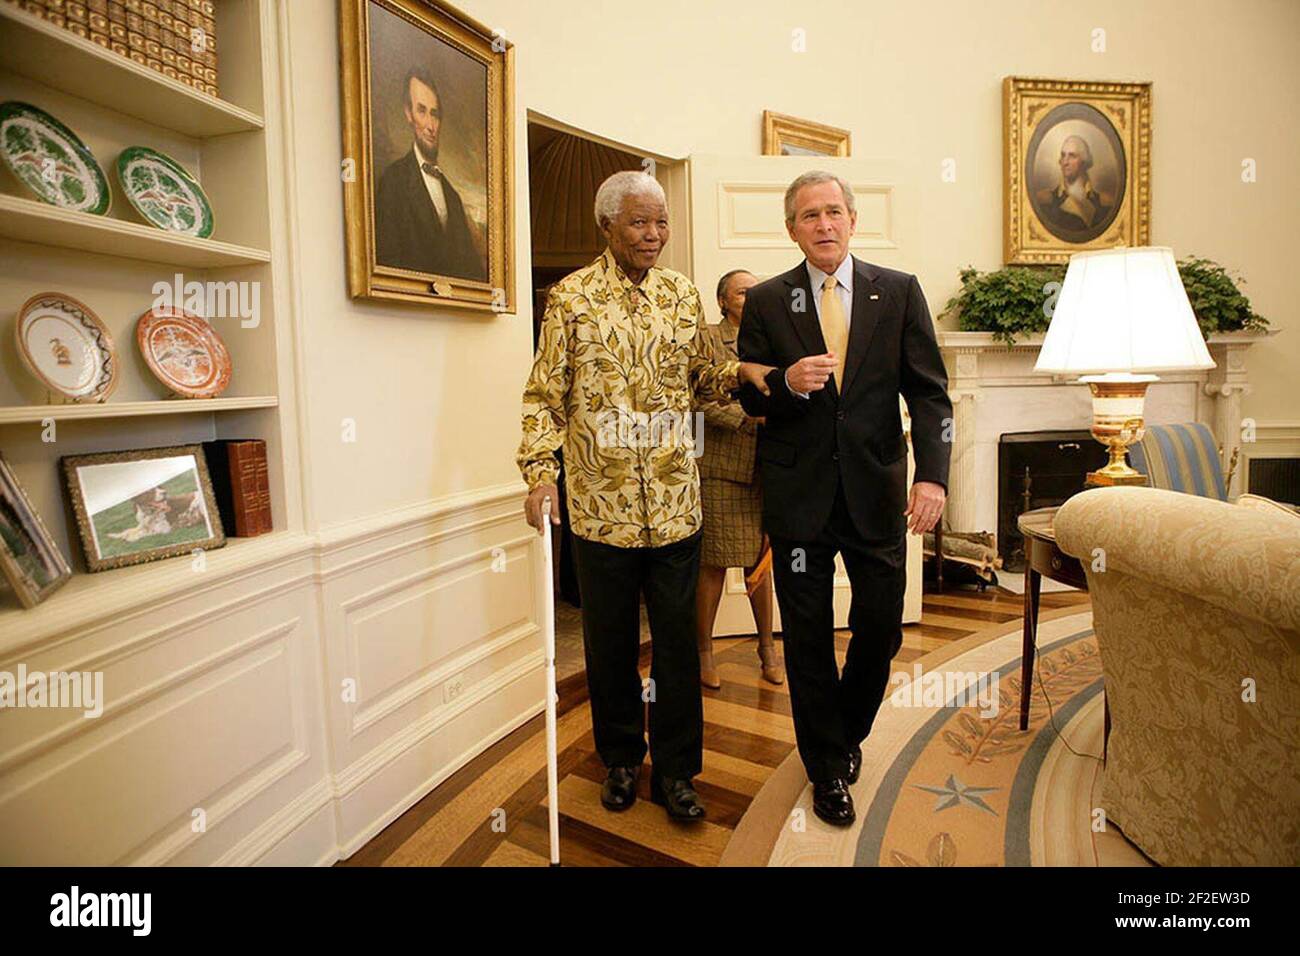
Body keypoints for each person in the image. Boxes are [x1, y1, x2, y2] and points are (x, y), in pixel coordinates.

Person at [517, 171, 774, 822]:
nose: (654, 234)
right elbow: (543, 399)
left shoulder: (682, 297)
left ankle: (679, 773)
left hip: (674, 507)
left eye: (660, 222)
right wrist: (539, 474)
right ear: (606, 226)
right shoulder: (570, 300)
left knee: (678, 649)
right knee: (608, 647)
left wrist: (740, 374)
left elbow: (701, 381)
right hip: (600, 514)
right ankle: (623, 760)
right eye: (639, 222)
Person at [737, 171, 952, 827]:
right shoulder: (769, 301)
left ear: (853, 220)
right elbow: (747, 391)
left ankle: (845, 729)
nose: (823, 224)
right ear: (792, 229)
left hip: (876, 491)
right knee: (805, 637)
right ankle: (827, 766)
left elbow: (930, 394)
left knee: (881, 625)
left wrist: (932, 476)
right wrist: (785, 381)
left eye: (833, 212)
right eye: (809, 215)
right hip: (800, 498)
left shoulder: (900, 291)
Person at [695, 269, 784, 689]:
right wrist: (748, 421)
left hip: (768, 470)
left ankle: (768, 650)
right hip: (722, 470)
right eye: (742, 292)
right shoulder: (709, 339)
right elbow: (697, 402)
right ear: (723, 301)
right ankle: (704, 653)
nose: (751, 298)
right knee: (712, 563)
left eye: (755, 291)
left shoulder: (772, 337)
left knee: (760, 563)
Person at [374, 67, 485, 281]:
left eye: (435, 114)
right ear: (409, 114)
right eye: (421, 111)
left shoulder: (452, 197)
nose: (430, 126)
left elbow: (472, 273)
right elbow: (388, 261)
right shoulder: (393, 181)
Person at [1033, 133, 1113, 236]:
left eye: (1072, 156)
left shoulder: (1105, 203)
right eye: (1063, 155)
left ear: (1084, 161)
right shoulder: (1045, 202)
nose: (1065, 162)